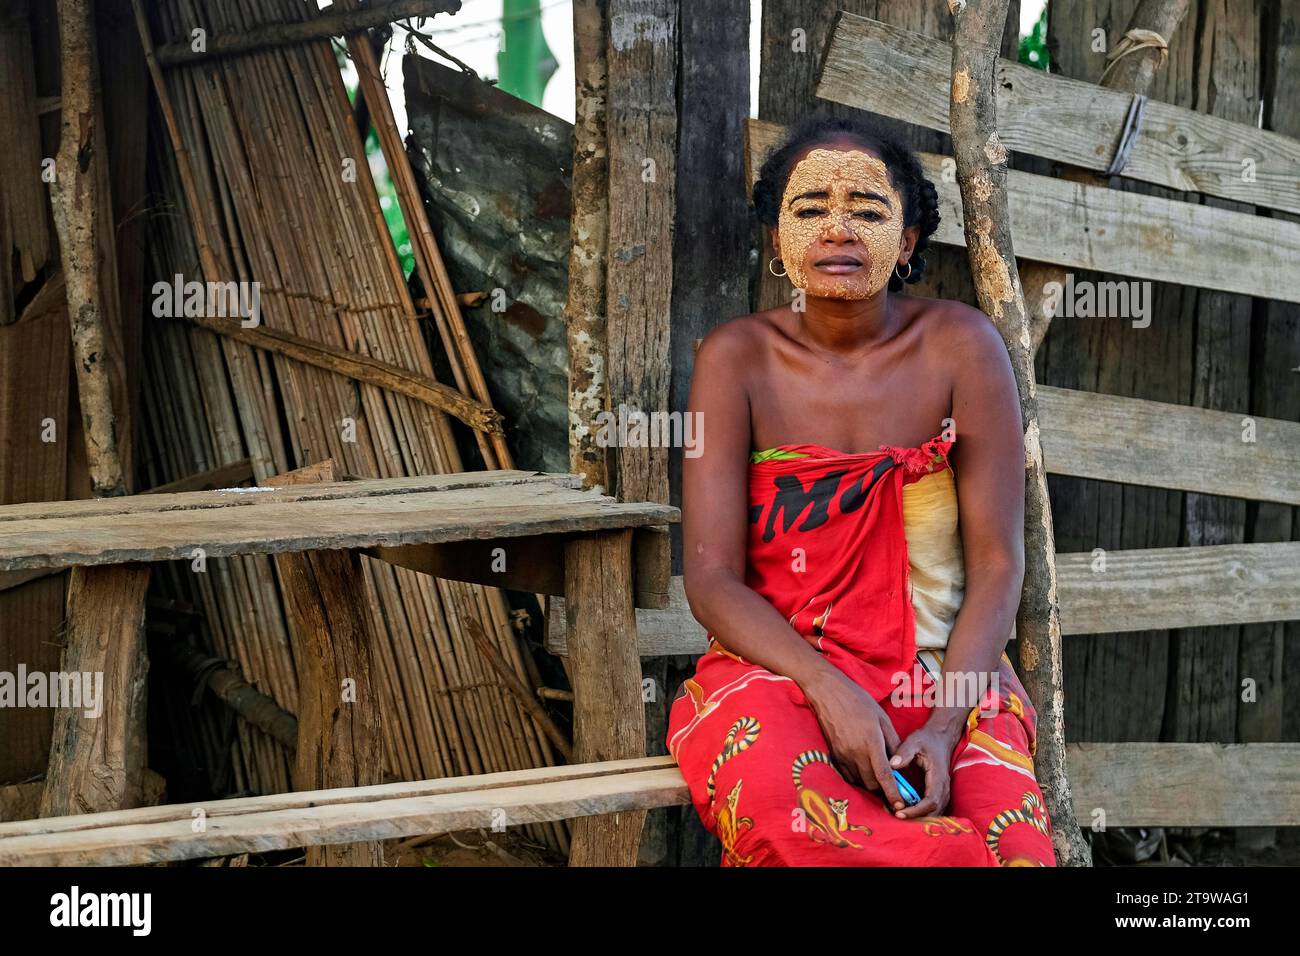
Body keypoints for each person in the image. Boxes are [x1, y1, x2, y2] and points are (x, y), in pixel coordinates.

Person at [666, 113, 1056, 866]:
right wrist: (826, 689)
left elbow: (1000, 566)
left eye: (868, 212)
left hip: (947, 673)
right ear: (778, 237)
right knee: (795, 819)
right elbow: (712, 578)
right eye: (810, 210)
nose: (838, 230)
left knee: (1007, 844)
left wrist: (943, 726)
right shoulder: (735, 359)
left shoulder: (962, 347)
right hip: (778, 673)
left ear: (906, 242)